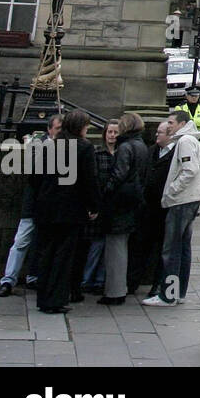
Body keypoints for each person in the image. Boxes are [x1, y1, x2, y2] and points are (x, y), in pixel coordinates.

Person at [34, 110, 101, 314]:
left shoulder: (50, 145)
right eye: (86, 126)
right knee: (63, 256)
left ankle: (43, 297)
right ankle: (55, 299)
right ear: (80, 127)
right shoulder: (84, 148)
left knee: (46, 254)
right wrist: (94, 206)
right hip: (70, 210)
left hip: (46, 208)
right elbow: (90, 181)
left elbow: (35, 177)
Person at [0, 114, 62, 298]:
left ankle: (34, 276)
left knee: (43, 243)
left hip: (51, 206)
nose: (60, 132)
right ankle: (8, 280)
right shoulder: (38, 145)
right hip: (34, 204)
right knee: (21, 241)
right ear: (49, 130)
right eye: (57, 129)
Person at [143, 111, 200, 306]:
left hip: (181, 202)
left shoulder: (185, 141)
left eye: (171, 122)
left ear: (182, 123)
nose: (168, 126)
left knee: (171, 249)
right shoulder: (189, 140)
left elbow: (190, 170)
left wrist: (171, 190)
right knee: (183, 248)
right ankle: (179, 293)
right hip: (190, 201)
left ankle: (167, 295)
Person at [97, 113, 149, 305]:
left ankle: (115, 292)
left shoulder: (125, 147)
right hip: (134, 202)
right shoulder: (141, 145)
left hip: (120, 204)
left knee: (115, 247)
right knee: (121, 246)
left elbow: (118, 175)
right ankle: (118, 288)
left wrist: (105, 192)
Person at [129, 119, 176, 298]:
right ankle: (133, 282)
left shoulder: (174, 155)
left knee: (160, 250)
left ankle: (157, 285)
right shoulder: (151, 151)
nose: (156, 135)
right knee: (140, 246)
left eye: (160, 133)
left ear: (170, 135)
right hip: (146, 208)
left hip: (164, 209)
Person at [80, 120, 120, 294]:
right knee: (96, 245)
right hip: (99, 202)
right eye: (109, 132)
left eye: (115, 132)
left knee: (106, 246)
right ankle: (87, 279)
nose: (112, 135)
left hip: (113, 206)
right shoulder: (97, 153)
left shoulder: (121, 153)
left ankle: (99, 279)